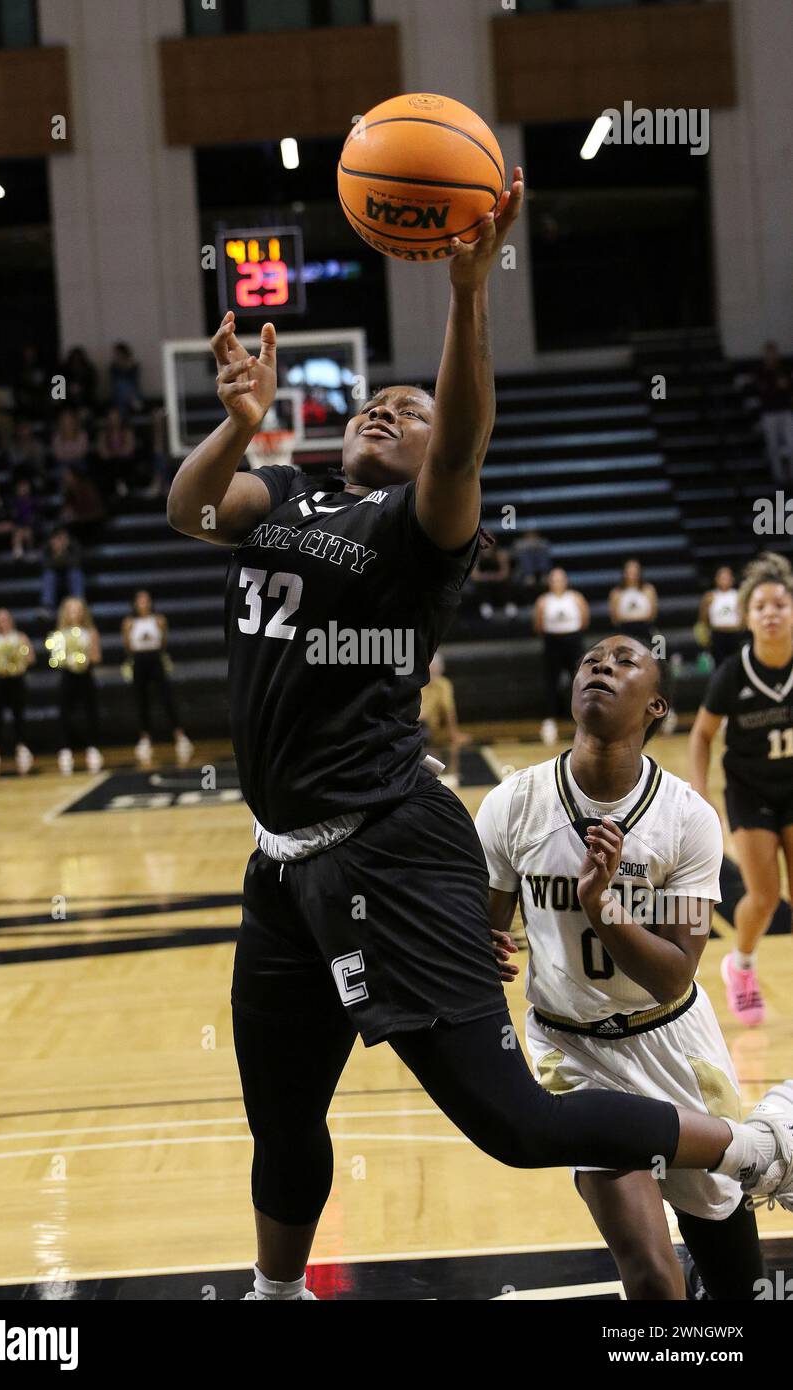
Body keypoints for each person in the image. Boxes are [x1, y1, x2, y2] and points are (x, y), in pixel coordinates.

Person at [168, 179, 793, 1301]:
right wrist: (235, 424)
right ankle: (273, 1292)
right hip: (282, 857)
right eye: (372, 404)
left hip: (387, 846)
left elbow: (460, 442)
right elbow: (189, 511)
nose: (382, 413)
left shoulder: (421, 533)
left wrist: (466, 295)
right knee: (279, 1109)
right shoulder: (286, 495)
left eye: (405, 412)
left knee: (511, 1123)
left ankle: (746, 1147)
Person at [477, 637, 764, 1300]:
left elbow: (673, 976)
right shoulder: (512, 805)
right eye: (591, 660)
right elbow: (483, 931)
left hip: (673, 1044)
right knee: (651, 1276)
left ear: (656, 705)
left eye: (625, 661)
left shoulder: (687, 818)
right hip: (574, 1053)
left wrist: (602, 906)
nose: (601, 666)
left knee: (735, 1276)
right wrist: (474, 946)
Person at [690, 551, 793, 1027]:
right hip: (749, 791)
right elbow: (701, 735)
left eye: (780, 603)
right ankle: (742, 965)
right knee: (766, 896)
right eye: (761, 606)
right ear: (747, 617)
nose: (771, 612)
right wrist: (700, 792)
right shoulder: (734, 672)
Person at [121, 590, 193, 766]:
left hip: (155, 659)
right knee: (141, 700)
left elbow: (163, 643)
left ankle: (179, 735)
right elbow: (128, 646)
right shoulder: (129, 622)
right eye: (140, 600)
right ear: (135, 603)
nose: (143, 603)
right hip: (139, 660)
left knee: (166, 697)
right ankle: (145, 737)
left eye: (146, 600)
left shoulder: (159, 619)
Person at [534, 567, 590, 746]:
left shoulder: (576, 597)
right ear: (549, 582)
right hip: (552, 642)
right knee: (551, 681)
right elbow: (538, 625)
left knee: (580, 680)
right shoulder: (543, 600)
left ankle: (584, 719)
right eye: (553, 579)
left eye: (560, 579)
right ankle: (550, 719)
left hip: (573, 641)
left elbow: (584, 620)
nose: (557, 582)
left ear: (566, 581)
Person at [0, 608, 35, 776]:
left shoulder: (20, 637)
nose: (3, 622)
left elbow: (30, 658)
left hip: (17, 679)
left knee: (19, 714)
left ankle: (22, 747)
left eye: (5, 619)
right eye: (0, 619)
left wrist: (17, 656)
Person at [50, 597, 103, 774]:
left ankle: (93, 747)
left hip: (86, 674)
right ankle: (65, 750)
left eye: (78, 609)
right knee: (64, 712)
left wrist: (84, 658)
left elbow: (96, 656)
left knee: (91, 711)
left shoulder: (91, 632)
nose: (74, 613)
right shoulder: (59, 633)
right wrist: (68, 660)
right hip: (67, 675)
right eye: (71, 609)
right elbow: (55, 659)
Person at [419, 652, 470, 784]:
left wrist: (454, 734)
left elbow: (449, 711)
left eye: (436, 670)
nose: (434, 674)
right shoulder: (415, 682)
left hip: (428, 730)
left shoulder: (444, 684)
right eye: (431, 670)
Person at [755, 341, 793, 484]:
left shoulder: (784, 368)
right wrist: (777, 386)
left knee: (791, 443)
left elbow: (787, 387)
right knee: (773, 446)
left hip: (784, 410)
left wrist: (780, 386)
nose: (771, 356)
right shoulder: (760, 371)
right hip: (769, 412)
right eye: (768, 354)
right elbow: (762, 391)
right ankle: (779, 476)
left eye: (773, 353)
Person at [699, 565, 745, 668]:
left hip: (734, 634)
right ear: (716, 579)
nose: (724, 581)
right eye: (722, 578)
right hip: (717, 634)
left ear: (732, 579)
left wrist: (740, 628)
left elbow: (743, 616)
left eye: (727, 577)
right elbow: (703, 617)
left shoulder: (738, 596)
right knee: (719, 664)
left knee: (735, 664)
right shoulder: (710, 596)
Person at [608, 558, 657, 645]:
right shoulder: (616, 592)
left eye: (635, 571)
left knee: (659, 641)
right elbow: (614, 618)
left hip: (644, 628)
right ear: (624, 573)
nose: (632, 574)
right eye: (629, 571)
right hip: (624, 629)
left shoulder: (648, 589)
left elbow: (652, 614)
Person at [40, 527, 85, 615]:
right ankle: (47, 607)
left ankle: (79, 605)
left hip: (70, 577)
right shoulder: (47, 548)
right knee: (49, 575)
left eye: (62, 538)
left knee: (75, 573)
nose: (60, 542)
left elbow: (77, 563)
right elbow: (45, 565)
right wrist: (57, 553)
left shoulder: (74, 545)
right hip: (55, 579)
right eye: (57, 538)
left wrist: (63, 553)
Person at [468, 535, 514, 620]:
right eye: (483, 540)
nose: (486, 543)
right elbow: (475, 576)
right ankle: (485, 606)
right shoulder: (475, 555)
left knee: (506, 583)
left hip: (498, 581)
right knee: (482, 585)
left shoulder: (500, 554)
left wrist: (493, 576)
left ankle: (508, 605)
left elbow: (505, 573)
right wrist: (486, 576)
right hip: (483, 582)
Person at [96, 407, 137, 498]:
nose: (114, 421)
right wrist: (115, 453)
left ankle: (124, 488)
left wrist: (115, 453)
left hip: (125, 462)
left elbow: (129, 449)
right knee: (110, 465)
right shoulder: (103, 434)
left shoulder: (127, 432)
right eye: (111, 418)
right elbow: (102, 452)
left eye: (116, 418)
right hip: (109, 464)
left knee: (121, 464)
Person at [59, 347, 98, 418]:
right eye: (74, 358)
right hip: (67, 401)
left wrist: (81, 389)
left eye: (78, 358)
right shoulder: (64, 370)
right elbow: (58, 390)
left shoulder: (89, 370)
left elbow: (92, 387)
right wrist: (68, 388)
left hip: (85, 402)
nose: (76, 360)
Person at [512, 527, 551, 597]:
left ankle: (543, 575)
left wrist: (531, 545)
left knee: (541, 554)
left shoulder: (542, 545)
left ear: (537, 535)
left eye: (533, 535)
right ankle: (529, 575)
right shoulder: (519, 544)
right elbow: (515, 549)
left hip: (540, 572)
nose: (531, 538)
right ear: (525, 536)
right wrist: (532, 545)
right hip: (523, 573)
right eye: (529, 535)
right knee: (525, 555)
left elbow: (546, 545)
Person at [109, 342, 143, 416]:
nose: (116, 355)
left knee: (124, 385)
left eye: (118, 353)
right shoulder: (113, 367)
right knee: (121, 384)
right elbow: (114, 382)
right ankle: (132, 401)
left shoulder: (133, 365)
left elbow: (134, 381)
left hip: (132, 391)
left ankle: (131, 400)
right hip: (119, 396)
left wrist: (128, 366)